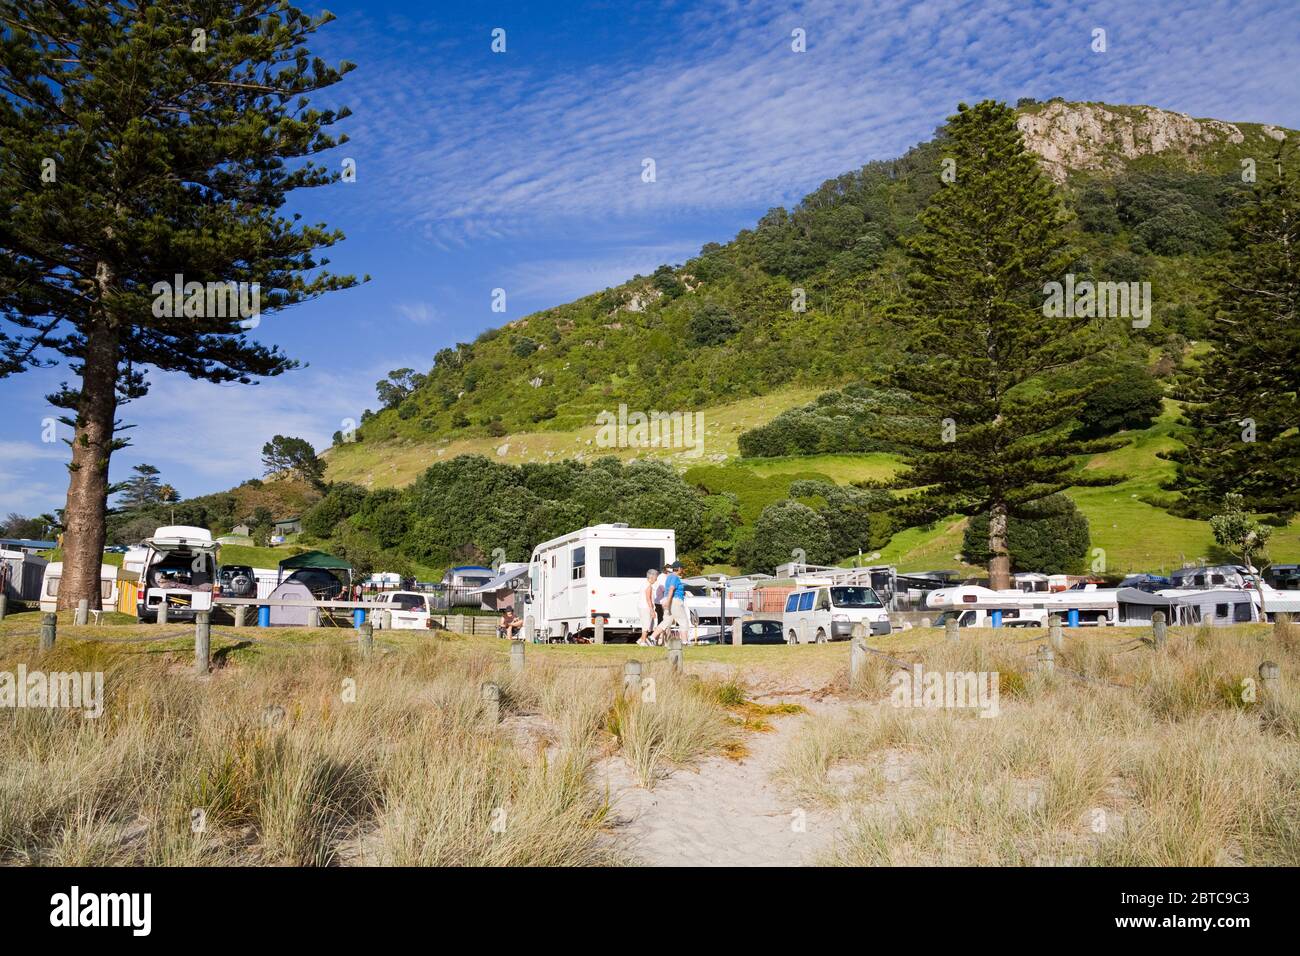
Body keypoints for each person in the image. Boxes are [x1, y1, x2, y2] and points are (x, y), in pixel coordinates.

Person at [637, 568, 659, 646]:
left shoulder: (644, 584)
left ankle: (641, 640)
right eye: (656, 578)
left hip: (641, 606)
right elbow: (648, 599)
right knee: (646, 625)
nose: (656, 580)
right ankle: (643, 642)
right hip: (646, 607)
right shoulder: (648, 586)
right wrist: (652, 610)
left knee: (646, 624)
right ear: (652, 577)